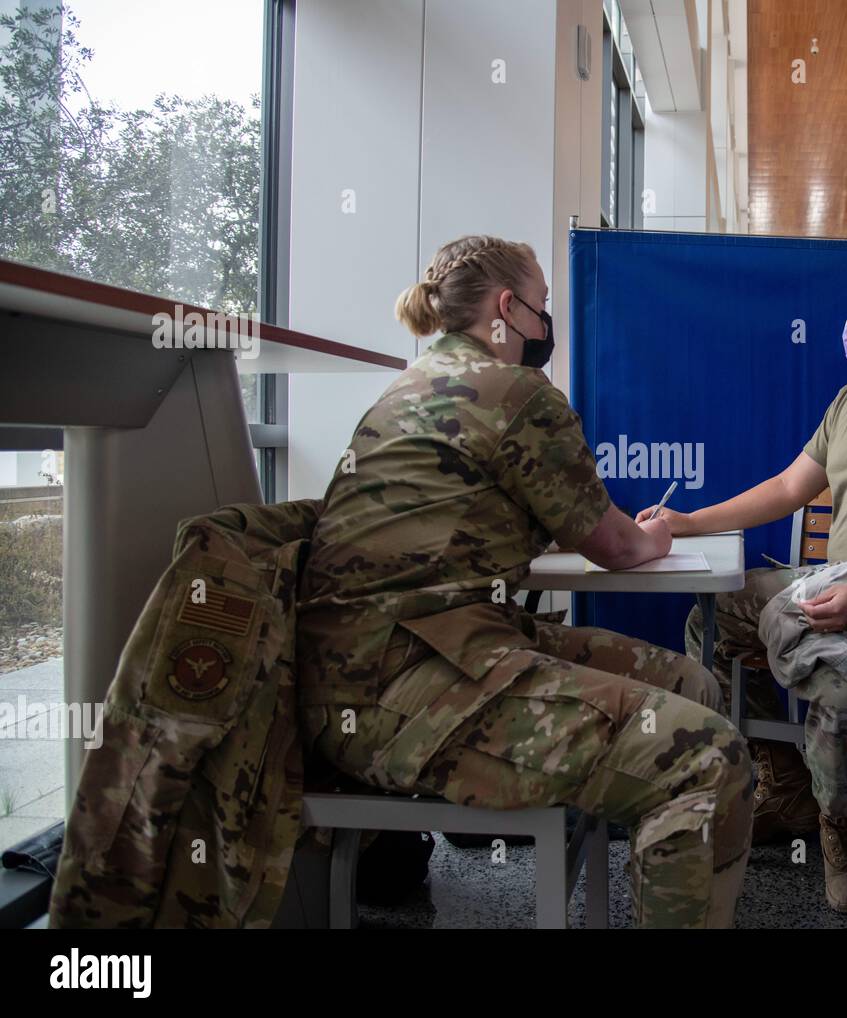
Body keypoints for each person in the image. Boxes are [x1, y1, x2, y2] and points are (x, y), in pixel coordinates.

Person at [296, 234, 751, 928]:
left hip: (387, 663)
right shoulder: (514, 390)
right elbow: (618, 547)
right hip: (403, 683)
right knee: (706, 754)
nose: (546, 322)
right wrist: (661, 534)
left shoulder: (410, 384)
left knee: (692, 685)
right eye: (541, 305)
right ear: (508, 308)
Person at [636, 264, 847, 915]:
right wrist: (688, 521)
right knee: (714, 618)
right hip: (836, 580)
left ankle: (842, 825)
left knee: (844, 694)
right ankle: (787, 782)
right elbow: (789, 488)